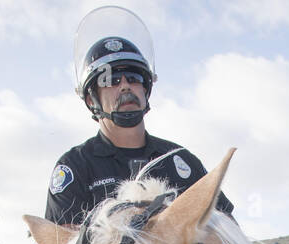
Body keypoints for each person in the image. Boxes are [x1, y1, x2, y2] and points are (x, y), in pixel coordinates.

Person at [46, 5, 233, 228]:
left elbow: (227, 229)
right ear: (91, 100)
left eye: (134, 78)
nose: (125, 86)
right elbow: (63, 243)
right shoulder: (75, 166)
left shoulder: (182, 161)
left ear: (145, 89)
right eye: (111, 81)